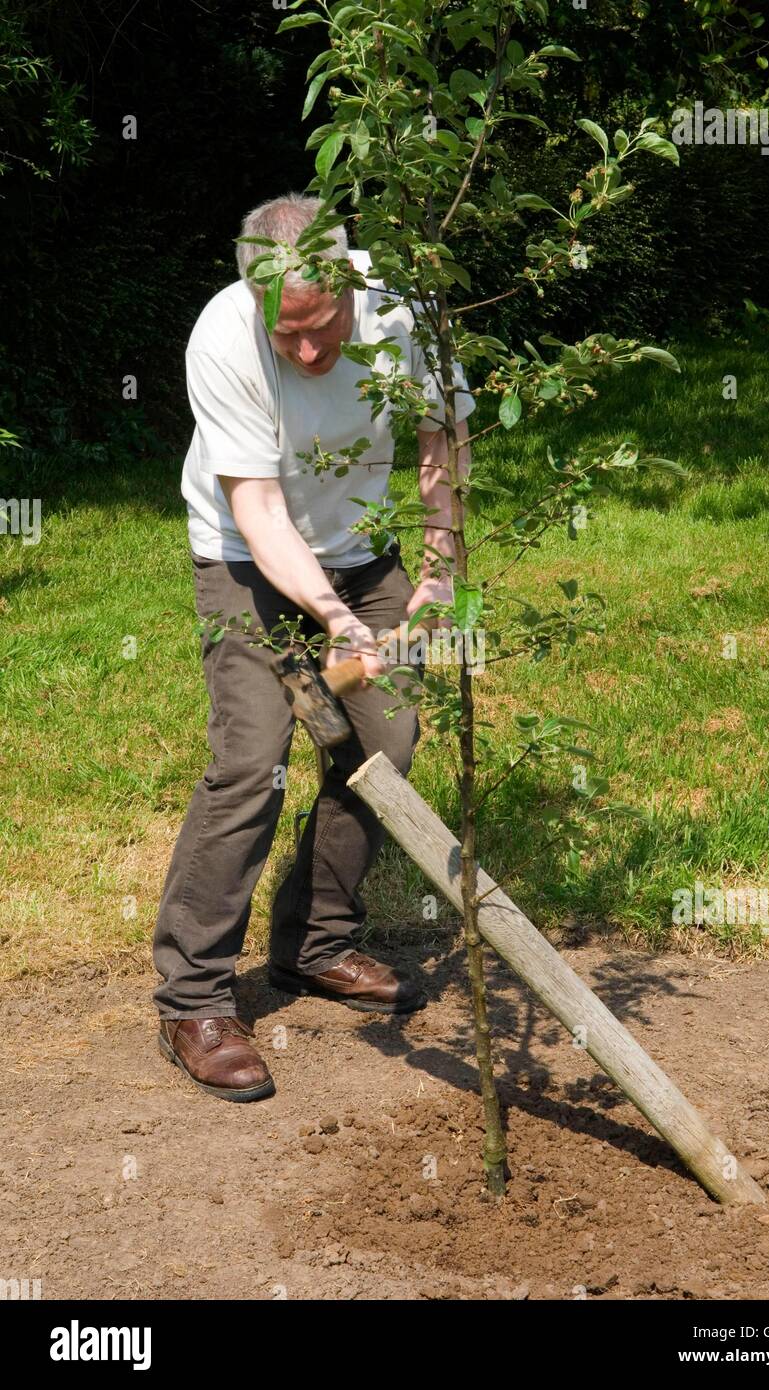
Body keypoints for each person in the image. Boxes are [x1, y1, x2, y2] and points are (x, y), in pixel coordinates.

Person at [152, 194, 476, 1101]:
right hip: (244, 558)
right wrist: (337, 619)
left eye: (321, 326)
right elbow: (255, 508)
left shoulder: (400, 312)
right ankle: (193, 997)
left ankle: (317, 943)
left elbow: (437, 437)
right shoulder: (224, 336)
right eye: (285, 330)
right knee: (251, 764)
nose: (305, 350)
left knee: (384, 744)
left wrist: (441, 565)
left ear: (349, 287)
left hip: (363, 544)